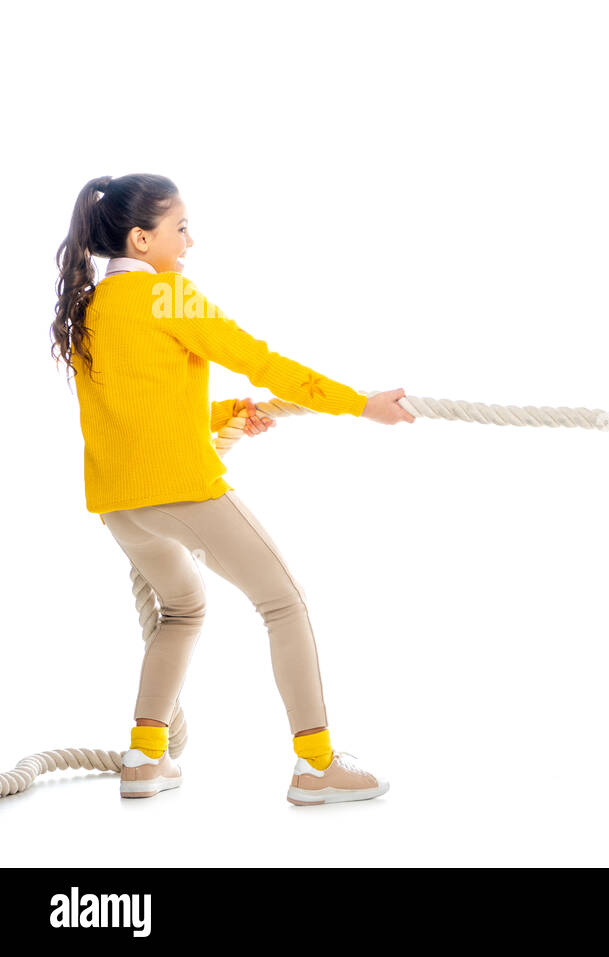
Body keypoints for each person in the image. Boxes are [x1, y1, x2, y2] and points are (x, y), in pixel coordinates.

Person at [50, 173, 417, 805]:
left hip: (120, 505)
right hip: (181, 490)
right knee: (284, 603)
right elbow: (261, 358)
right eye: (180, 228)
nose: (191, 240)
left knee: (183, 611)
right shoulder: (168, 296)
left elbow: (134, 407)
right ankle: (316, 765)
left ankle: (144, 758)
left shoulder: (91, 306)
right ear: (142, 239)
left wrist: (221, 416)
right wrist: (360, 405)